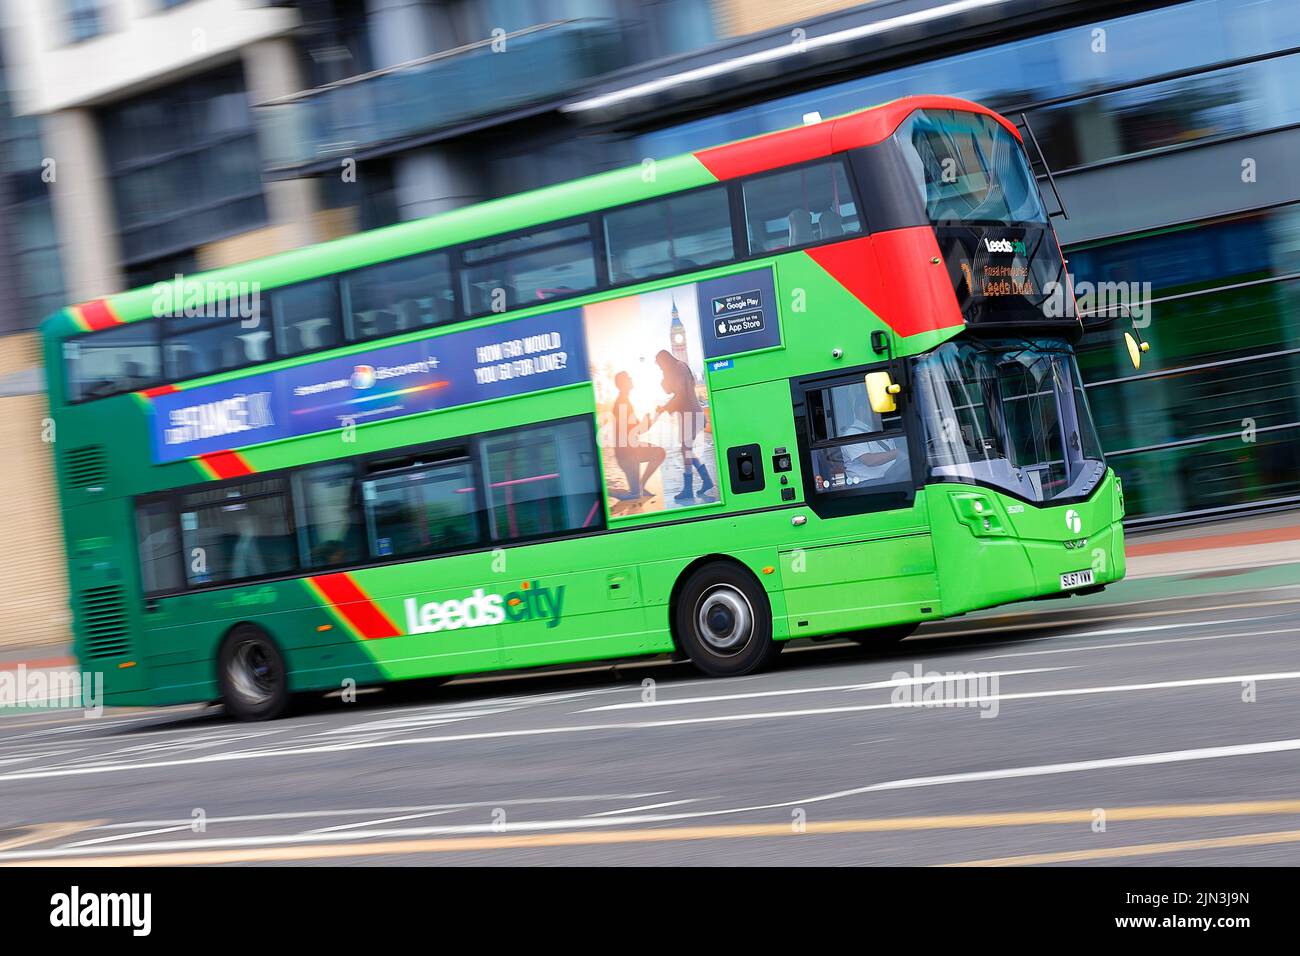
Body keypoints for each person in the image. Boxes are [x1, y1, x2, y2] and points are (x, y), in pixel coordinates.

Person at [654, 350, 714, 502]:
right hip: (687, 415)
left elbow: (680, 394)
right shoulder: (675, 370)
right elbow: (670, 390)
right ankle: (705, 481)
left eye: (661, 365)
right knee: (686, 449)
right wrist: (664, 379)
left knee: (686, 450)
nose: (661, 368)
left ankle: (689, 488)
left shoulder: (679, 367)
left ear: (665, 360)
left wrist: (665, 408)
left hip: (691, 415)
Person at [609, 371, 665, 501]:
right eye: (628, 378)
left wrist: (656, 415)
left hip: (632, 450)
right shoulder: (622, 403)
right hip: (627, 455)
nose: (631, 379)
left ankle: (641, 485)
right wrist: (646, 422)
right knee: (634, 494)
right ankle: (607, 491)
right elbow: (633, 431)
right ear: (623, 384)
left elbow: (639, 429)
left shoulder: (625, 402)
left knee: (659, 453)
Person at [840, 391, 899, 485]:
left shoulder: (877, 428)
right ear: (861, 410)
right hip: (869, 484)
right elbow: (869, 460)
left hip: (890, 478)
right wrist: (898, 453)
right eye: (874, 408)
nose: (878, 412)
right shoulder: (851, 434)